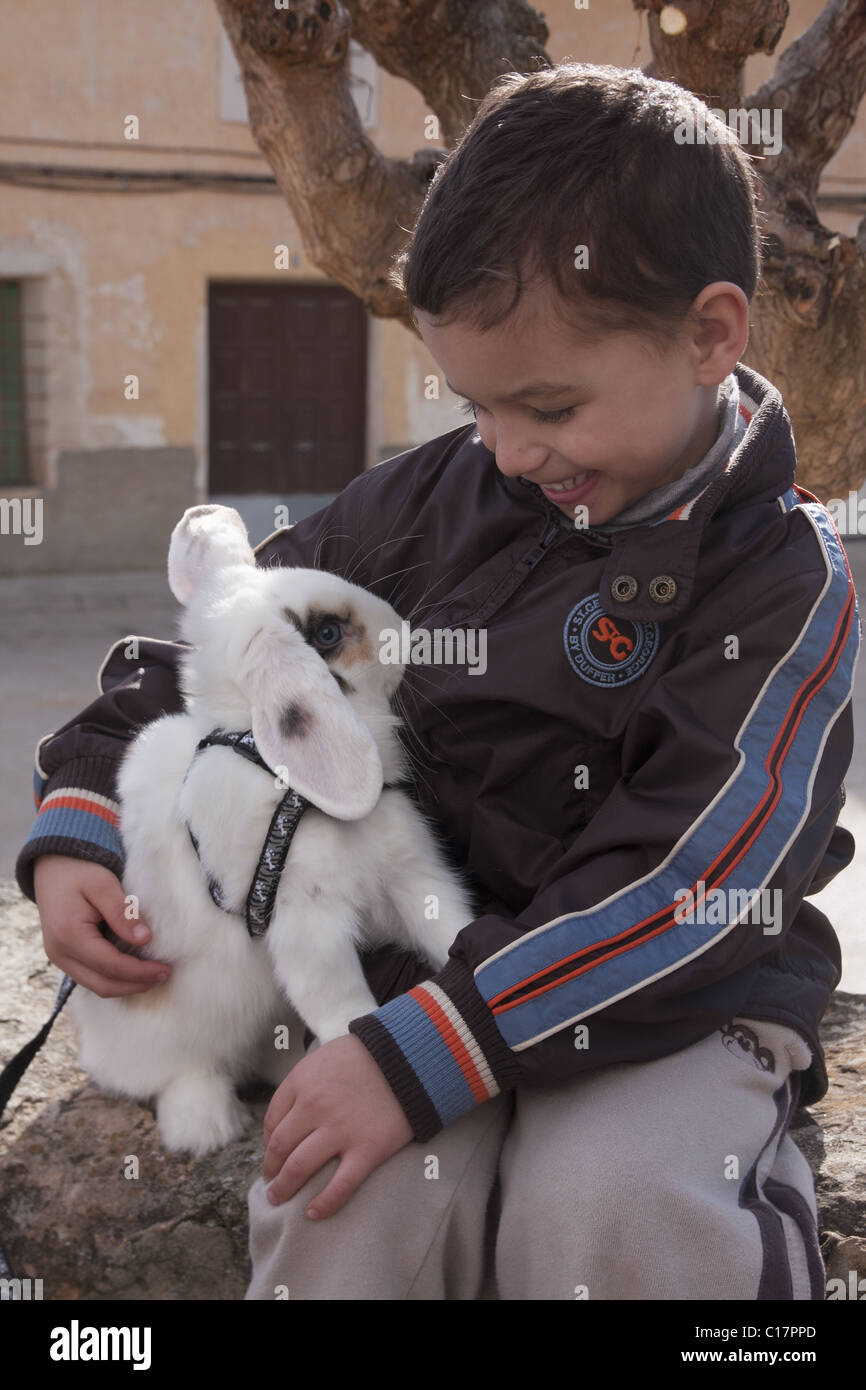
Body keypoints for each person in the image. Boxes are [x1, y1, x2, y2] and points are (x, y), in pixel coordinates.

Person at [18, 64, 859, 1300]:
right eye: (476, 405)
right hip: (422, 991)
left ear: (710, 333)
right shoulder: (441, 491)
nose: (513, 450)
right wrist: (83, 814)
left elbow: (690, 884)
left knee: (612, 1202)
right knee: (339, 1198)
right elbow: (242, 625)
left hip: (661, 1005)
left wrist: (453, 1039)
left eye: (550, 405)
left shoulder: (785, 585)